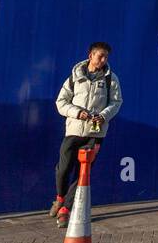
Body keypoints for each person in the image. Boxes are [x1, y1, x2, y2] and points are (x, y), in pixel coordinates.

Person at [52, 41, 122, 227]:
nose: (104, 60)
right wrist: (77, 113)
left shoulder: (110, 79)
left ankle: (65, 210)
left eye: (106, 57)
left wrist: (103, 116)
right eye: (101, 56)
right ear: (90, 55)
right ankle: (59, 198)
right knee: (63, 168)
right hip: (74, 130)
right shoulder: (75, 77)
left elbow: (116, 103)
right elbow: (61, 102)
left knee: (83, 171)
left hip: (95, 134)